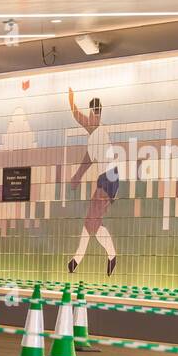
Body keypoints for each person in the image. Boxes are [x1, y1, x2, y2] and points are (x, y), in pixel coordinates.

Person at [66, 89, 120, 276]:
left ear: (97, 115)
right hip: (105, 178)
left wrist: (78, 176)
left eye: (94, 114)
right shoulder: (93, 132)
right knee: (92, 222)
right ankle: (80, 260)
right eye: (90, 113)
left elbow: (88, 159)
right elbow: (76, 116)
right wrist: (71, 101)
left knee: (92, 220)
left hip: (110, 177)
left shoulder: (100, 134)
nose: (90, 118)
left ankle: (78, 259)